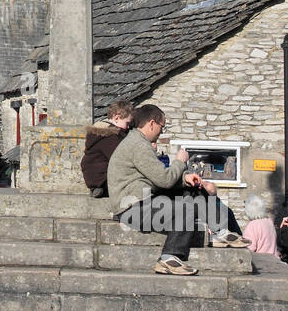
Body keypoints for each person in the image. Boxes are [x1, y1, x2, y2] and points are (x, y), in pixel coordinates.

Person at [107, 104, 249, 277]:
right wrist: (180, 161)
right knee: (186, 208)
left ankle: (219, 232)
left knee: (194, 189)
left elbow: (159, 176)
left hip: (144, 200)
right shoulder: (137, 145)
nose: (161, 132)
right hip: (131, 208)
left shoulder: (138, 142)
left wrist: (185, 179)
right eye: (162, 127)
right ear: (152, 123)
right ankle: (169, 258)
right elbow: (165, 181)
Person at [80, 99, 132, 198]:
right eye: (127, 124)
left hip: (94, 176)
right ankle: (101, 188)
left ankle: (97, 188)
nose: (128, 127)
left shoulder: (106, 134)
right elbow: (119, 157)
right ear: (117, 118)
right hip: (102, 177)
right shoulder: (110, 136)